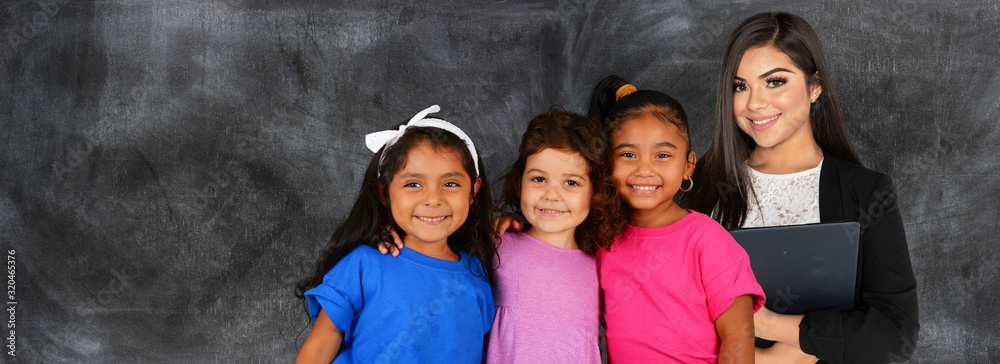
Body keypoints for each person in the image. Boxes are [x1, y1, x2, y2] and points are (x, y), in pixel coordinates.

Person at [677, 12, 919, 364]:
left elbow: (895, 332)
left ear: (814, 85)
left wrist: (774, 326)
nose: (754, 103)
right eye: (740, 86)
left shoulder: (865, 192)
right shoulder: (698, 188)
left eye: (775, 82)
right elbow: (665, 313)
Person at [293, 105, 496, 363]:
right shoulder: (363, 265)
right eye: (413, 184)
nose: (433, 199)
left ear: (473, 190)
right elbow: (317, 350)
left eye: (450, 184)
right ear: (383, 192)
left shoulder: (478, 273)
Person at [589, 75, 765, 363]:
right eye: (628, 154)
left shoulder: (707, 240)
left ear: (688, 166)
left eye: (662, 155)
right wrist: (516, 224)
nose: (644, 170)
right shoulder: (602, 238)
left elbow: (738, 339)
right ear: (606, 163)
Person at [486, 109, 625, 363]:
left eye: (571, 182)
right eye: (539, 179)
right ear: (519, 182)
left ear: (595, 193)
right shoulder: (498, 244)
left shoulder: (602, 264)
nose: (552, 195)